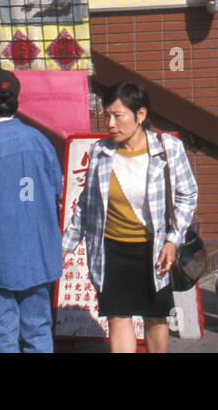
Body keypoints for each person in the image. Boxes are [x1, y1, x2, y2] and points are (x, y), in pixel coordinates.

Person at [62, 82, 198, 353]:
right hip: (111, 248)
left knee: (155, 318)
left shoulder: (167, 147)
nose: (110, 123)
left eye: (118, 116)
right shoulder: (101, 151)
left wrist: (172, 241)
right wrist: (63, 247)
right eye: (106, 115)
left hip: (154, 249)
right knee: (118, 317)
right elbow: (87, 205)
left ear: (140, 115)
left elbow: (187, 195)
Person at [0, 67, 63, 353]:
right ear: (16, 101)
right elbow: (56, 192)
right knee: (39, 330)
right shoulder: (41, 142)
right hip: (40, 255)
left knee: (3, 335)